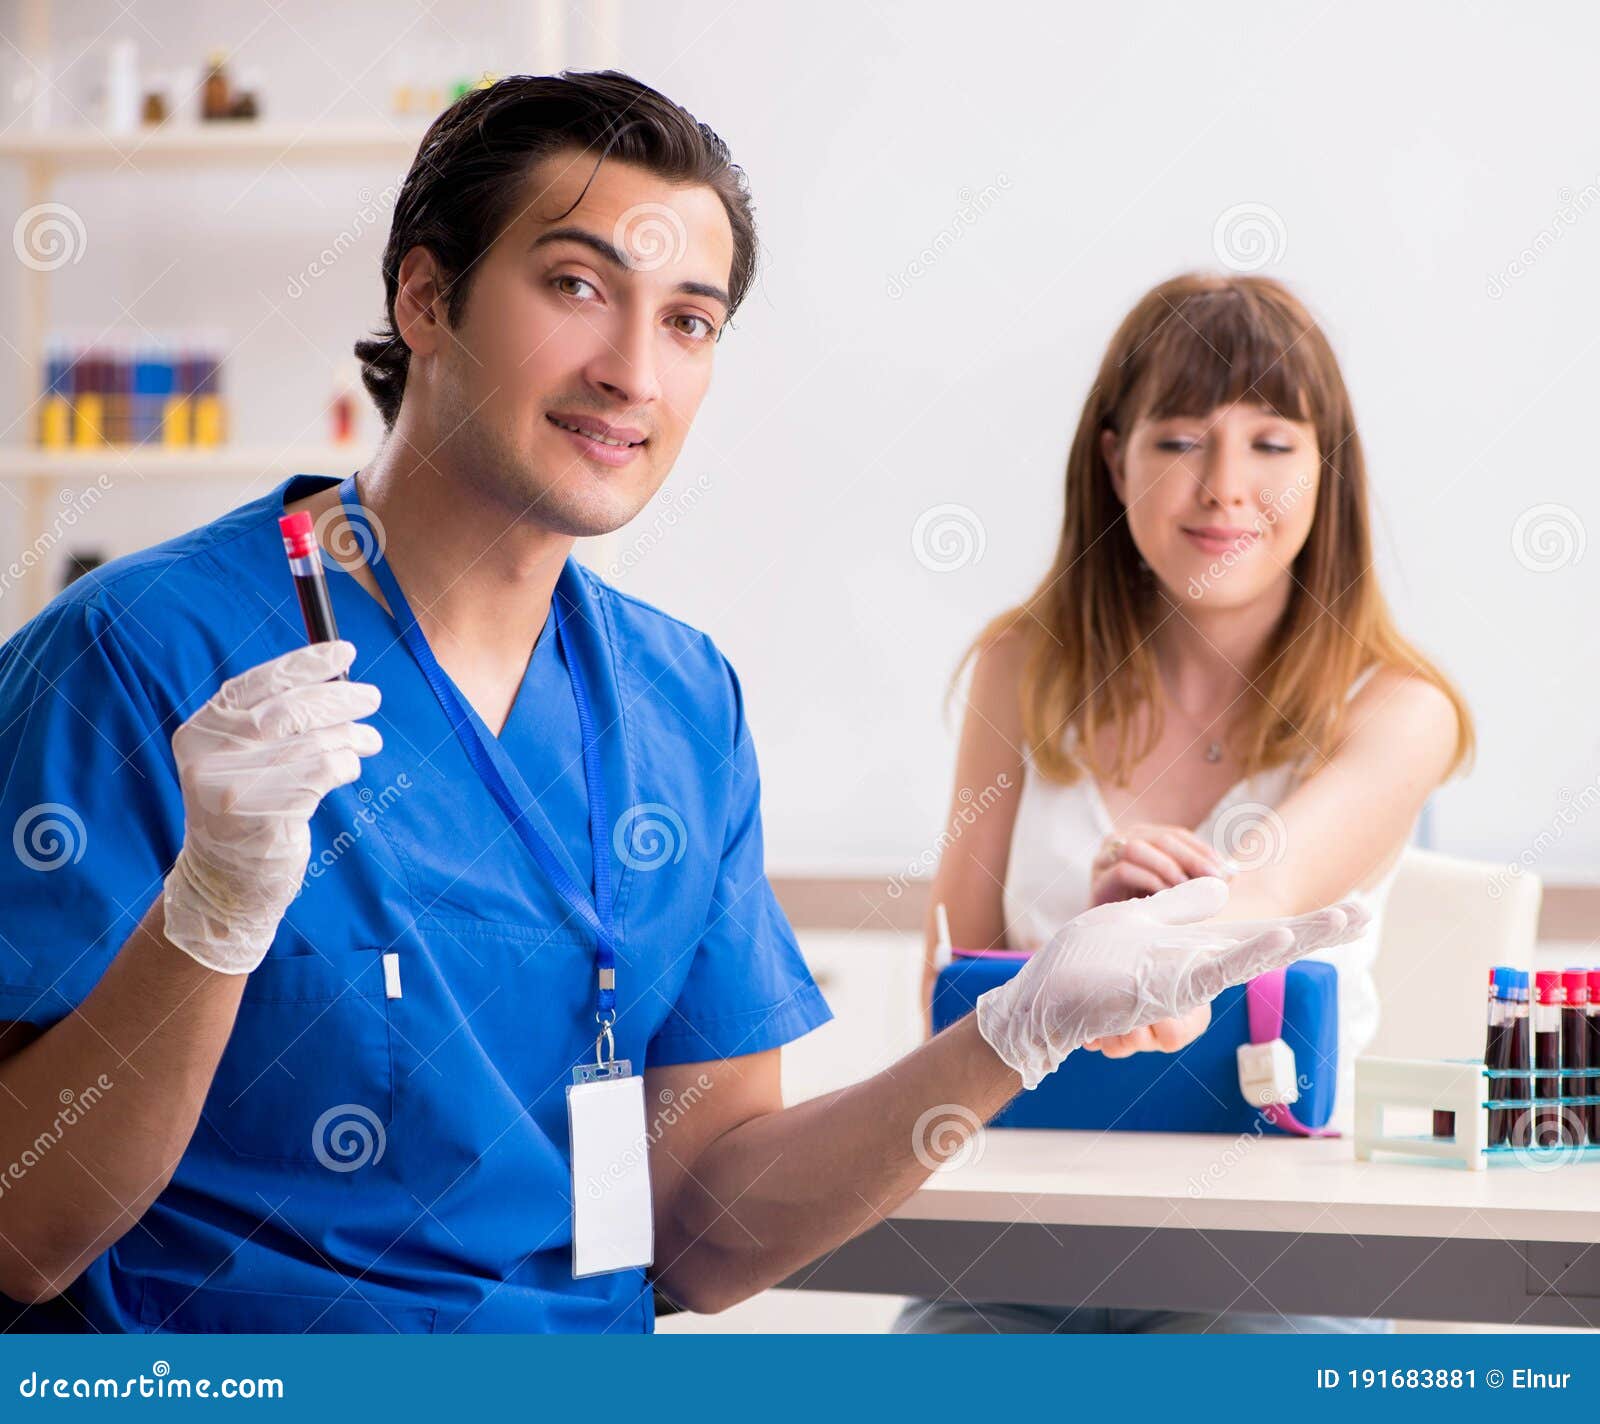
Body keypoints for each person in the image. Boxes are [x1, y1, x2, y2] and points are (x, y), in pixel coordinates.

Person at [0, 77, 1368, 1334]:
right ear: (426, 300)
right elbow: (22, 1234)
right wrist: (209, 918)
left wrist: (1009, 1037)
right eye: (576, 286)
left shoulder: (677, 701)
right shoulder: (138, 656)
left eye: (688, 322)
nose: (633, 372)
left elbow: (703, 1230)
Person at [897, 272, 1473, 1334]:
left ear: (1324, 470)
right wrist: (1087, 949)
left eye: (1270, 441)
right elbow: (950, 986)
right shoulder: (1017, 665)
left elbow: (1271, 884)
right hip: (1026, 1225)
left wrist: (1139, 929)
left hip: (1283, 1246)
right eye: (1178, 439)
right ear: (1114, 459)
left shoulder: (1401, 706)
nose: (1222, 485)